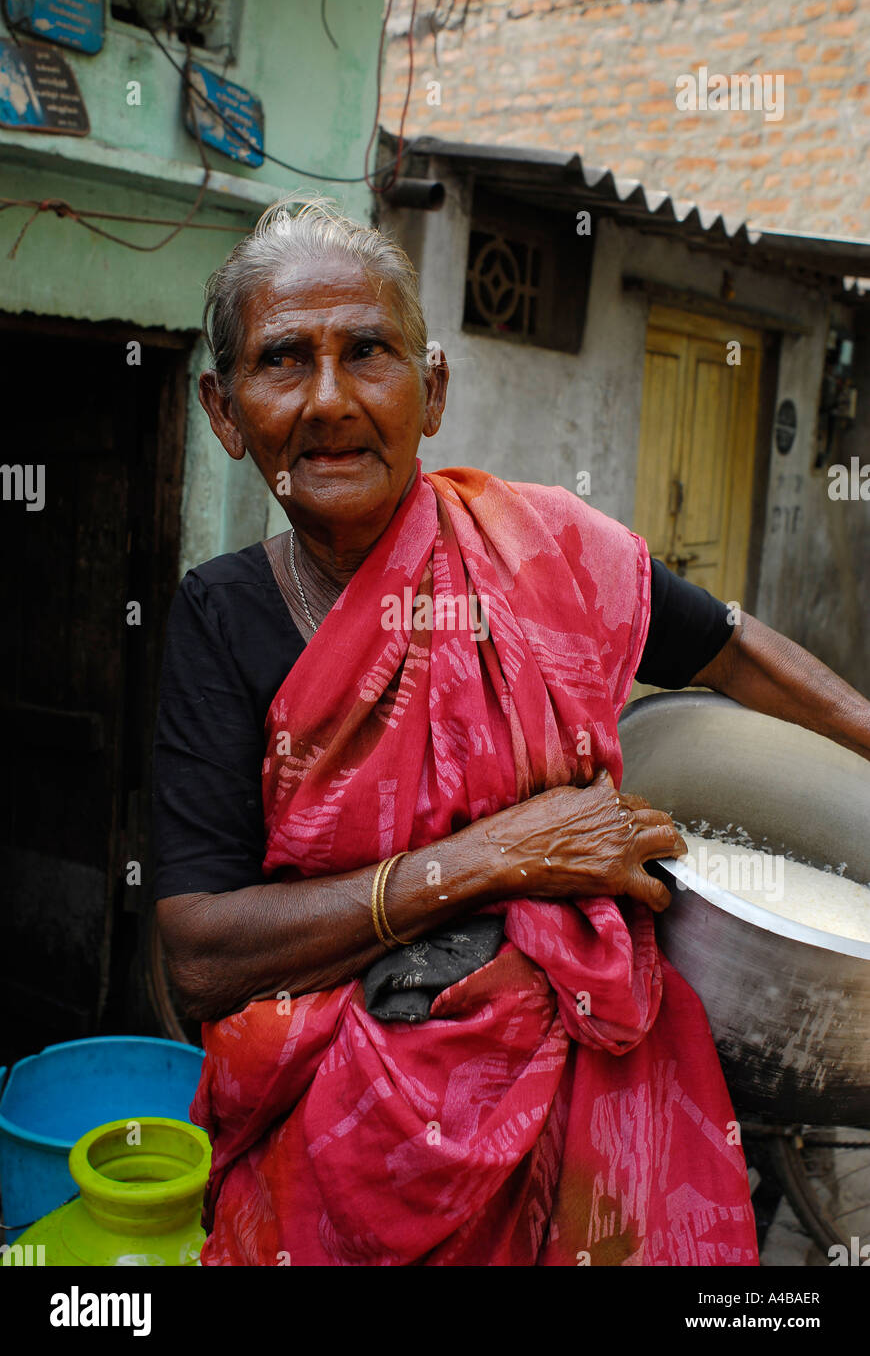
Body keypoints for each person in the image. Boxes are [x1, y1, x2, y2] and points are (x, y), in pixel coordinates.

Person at [153, 196, 870, 1267]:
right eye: (283, 362)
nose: (331, 400)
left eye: (369, 352)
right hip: (345, 1139)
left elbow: (727, 648)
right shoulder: (221, 620)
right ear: (222, 409)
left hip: (587, 1107)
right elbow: (203, 961)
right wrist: (498, 857)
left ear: (431, 389)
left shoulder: (543, 553)